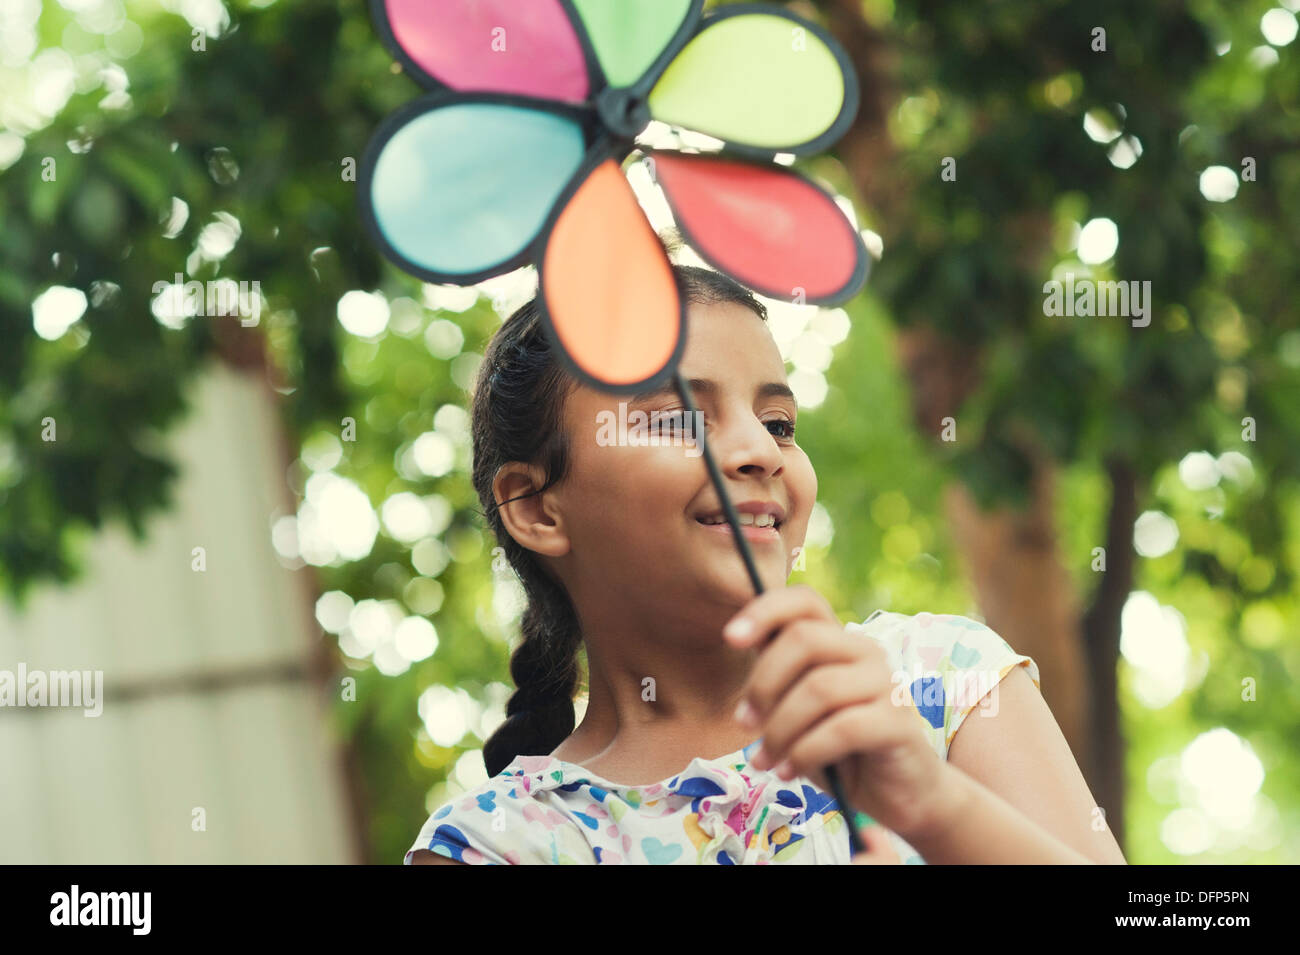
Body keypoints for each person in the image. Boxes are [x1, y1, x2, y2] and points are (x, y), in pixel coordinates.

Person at [407, 264, 1127, 865]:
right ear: (535, 506)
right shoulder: (494, 844)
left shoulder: (942, 679)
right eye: (679, 419)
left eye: (779, 422)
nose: (760, 450)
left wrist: (937, 810)